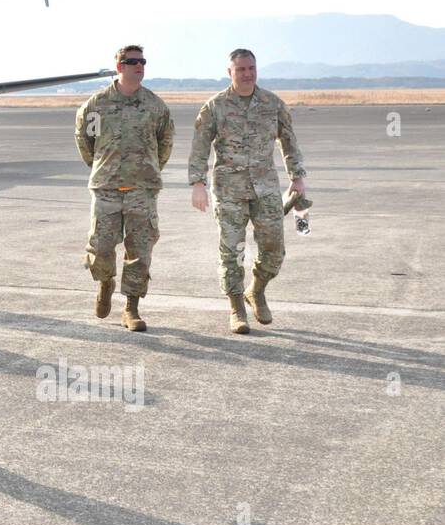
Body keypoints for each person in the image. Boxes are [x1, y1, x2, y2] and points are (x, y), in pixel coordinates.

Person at [189, 48, 307, 334]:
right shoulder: (215, 106)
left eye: (251, 68)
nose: (247, 73)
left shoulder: (273, 104)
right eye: (240, 69)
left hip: (266, 188)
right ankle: (236, 308)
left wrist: (297, 177)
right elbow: (200, 147)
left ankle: (256, 290)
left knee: (274, 249)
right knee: (232, 252)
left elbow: (289, 142)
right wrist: (197, 183)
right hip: (229, 190)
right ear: (230, 72)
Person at [73, 46, 173, 331]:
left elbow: (165, 144)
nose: (138, 66)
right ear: (119, 67)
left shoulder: (156, 107)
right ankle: (105, 282)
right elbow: (85, 143)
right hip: (106, 188)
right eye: (131, 62)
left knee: (140, 250)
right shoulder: (96, 105)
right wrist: (104, 167)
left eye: (142, 61)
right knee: (101, 247)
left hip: (142, 189)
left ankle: (131, 308)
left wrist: (147, 170)